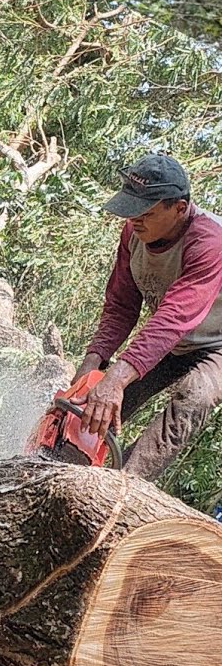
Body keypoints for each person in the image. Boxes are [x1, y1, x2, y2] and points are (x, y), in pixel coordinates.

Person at [74, 152, 222, 480]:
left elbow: (174, 318)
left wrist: (116, 379)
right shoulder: (133, 235)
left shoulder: (210, 241)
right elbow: (121, 307)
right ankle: (60, 460)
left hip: (216, 345)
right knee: (96, 398)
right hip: (172, 340)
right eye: (131, 210)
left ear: (179, 208)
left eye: (146, 212)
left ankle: (126, 484)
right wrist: (92, 365)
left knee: (195, 394)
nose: (134, 220)